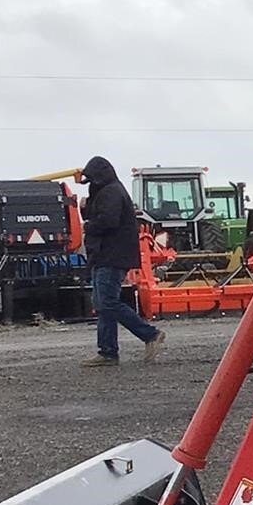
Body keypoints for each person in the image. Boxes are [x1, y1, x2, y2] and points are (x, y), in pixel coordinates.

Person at [77, 156, 165, 368]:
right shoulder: (108, 191)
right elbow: (101, 215)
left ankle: (149, 335)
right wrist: (85, 208)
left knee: (106, 302)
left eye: (91, 179)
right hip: (106, 255)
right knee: (103, 304)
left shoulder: (111, 192)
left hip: (111, 255)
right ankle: (108, 352)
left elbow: (108, 221)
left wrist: (87, 226)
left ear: (98, 177)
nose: (90, 183)